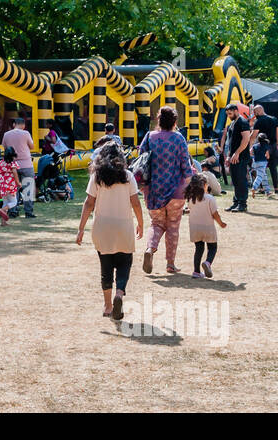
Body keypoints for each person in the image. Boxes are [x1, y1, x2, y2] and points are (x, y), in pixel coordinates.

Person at [74, 144, 144, 320]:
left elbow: (89, 203)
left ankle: (107, 306)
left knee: (105, 266)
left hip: (102, 226)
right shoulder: (128, 176)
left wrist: (81, 229)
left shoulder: (96, 176)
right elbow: (136, 203)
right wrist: (141, 224)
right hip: (123, 225)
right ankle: (119, 294)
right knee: (124, 263)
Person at [139, 106, 195, 274]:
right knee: (173, 227)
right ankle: (170, 264)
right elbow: (186, 165)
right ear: (175, 122)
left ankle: (150, 248)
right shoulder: (178, 138)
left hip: (153, 191)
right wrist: (189, 183)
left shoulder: (149, 137)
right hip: (175, 191)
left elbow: (141, 160)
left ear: (158, 120)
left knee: (156, 224)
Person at [185, 174, 226, 279]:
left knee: (198, 249)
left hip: (194, 228)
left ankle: (196, 271)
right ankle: (207, 263)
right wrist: (221, 223)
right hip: (208, 227)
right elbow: (215, 214)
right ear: (204, 185)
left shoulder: (190, 199)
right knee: (212, 248)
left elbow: (191, 210)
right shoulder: (209, 198)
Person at [1, 117, 37, 219]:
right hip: (26, 164)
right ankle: (28, 212)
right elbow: (32, 146)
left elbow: (5, 147)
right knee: (28, 189)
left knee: (13, 190)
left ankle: (13, 211)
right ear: (23, 125)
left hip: (12, 165)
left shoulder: (6, 134)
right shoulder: (26, 133)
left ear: (14, 124)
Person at [223, 103, 252, 213]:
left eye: (230, 113)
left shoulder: (243, 122)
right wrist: (229, 156)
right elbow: (231, 142)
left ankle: (242, 204)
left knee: (241, 179)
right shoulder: (232, 123)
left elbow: (246, 140)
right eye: (227, 114)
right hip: (233, 156)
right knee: (235, 180)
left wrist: (237, 153)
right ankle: (236, 202)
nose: (229, 116)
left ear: (236, 111)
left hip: (241, 156)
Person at [251, 105, 278, 194]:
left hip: (262, 147)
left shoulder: (258, 121)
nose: (254, 114)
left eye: (255, 112)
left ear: (258, 111)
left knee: (260, 168)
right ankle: (276, 188)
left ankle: (262, 188)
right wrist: (277, 144)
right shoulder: (274, 119)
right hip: (273, 146)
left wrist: (249, 145)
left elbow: (254, 135)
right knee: (273, 168)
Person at [0, 149, 20, 226]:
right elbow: (15, 173)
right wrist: (18, 183)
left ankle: (3, 222)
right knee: (14, 202)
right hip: (9, 185)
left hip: (1, 185)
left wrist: (2, 176)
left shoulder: (1, 163)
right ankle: (2, 210)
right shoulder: (13, 163)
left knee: (5, 202)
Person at [250, 133, 273, 198]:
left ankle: (267, 192)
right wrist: (267, 157)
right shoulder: (266, 146)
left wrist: (254, 156)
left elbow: (250, 152)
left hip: (256, 162)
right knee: (260, 176)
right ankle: (254, 187)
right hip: (263, 162)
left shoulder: (255, 146)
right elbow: (268, 156)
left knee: (264, 177)